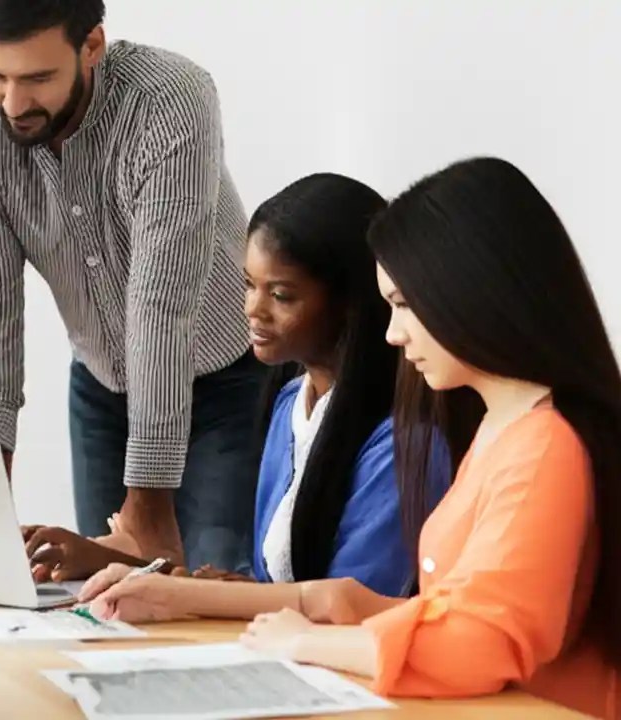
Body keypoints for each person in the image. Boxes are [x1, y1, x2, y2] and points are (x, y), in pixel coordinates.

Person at [234, 158, 620, 719]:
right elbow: (470, 611)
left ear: (468, 293)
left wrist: (304, 641)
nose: (392, 334)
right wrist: (369, 610)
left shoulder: (544, 446)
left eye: (404, 306)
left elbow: (481, 642)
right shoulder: (505, 427)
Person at [41, 175, 448, 610]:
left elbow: (349, 607)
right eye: (248, 286)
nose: (253, 310)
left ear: (351, 302)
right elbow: (271, 584)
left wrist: (193, 593)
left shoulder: (405, 443)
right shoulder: (290, 404)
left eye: (281, 295)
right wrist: (115, 562)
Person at [0, 0, 264, 571]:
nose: (14, 104)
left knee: (213, 583)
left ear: (92, 46)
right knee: (105, 602)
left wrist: (148, 498)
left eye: (38, 78)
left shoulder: (170, 100)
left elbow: (161, 304)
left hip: (224, 385)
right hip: (101, 388)